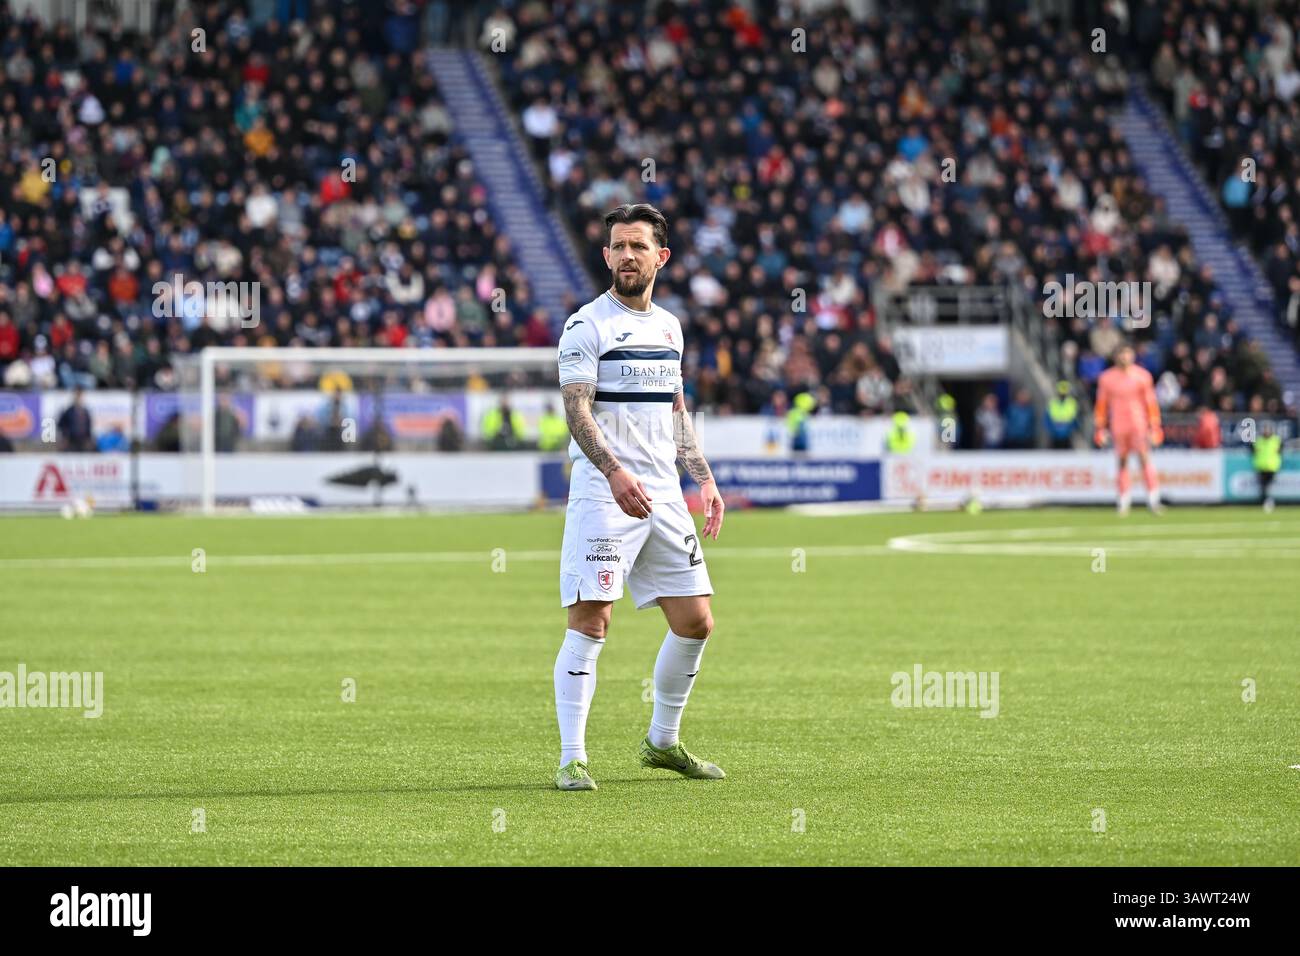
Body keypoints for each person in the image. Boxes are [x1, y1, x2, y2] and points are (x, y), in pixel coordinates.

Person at [552, 202, 725, 791]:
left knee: (697, 621)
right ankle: (572, 757)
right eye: (618, 246)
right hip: (606, 496)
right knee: (591, 621)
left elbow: (675, 410)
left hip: (666, 498)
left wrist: (703, 477)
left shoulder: (670, 327)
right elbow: (577, 411)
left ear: (661, 256)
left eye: (638, 246)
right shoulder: (586, 325)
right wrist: (614, 473)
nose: (627, 255)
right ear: (606, 256)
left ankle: (662, 742)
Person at [1094, 342, 1164, 515]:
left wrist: (1154, 426)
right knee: (1122, 461)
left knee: (1144, 458)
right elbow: (1101, 405)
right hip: (1118, 425)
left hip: (1138, 424)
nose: (1124, 357)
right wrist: (1100, 428)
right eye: (1121, 354)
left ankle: (1153, 499)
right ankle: (1123, 500)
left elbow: (1151, 403)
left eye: (1127, 354)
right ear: (1116, 357)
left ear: (1132, 356)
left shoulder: (1143, 376)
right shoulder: (1106, 378)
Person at [1248, 421, 1283, 512]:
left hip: (1272, 467)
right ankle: (1267, 502)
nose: (1266, 431)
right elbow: (1252, 451)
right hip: (1261, 467)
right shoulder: (1258, 441)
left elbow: (1280, 452)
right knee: (1263, 487)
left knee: (1268, 486)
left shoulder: (1276, 440)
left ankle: (1268, 502)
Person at [57, 387, 93, 452]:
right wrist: (65, 436)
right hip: (71, 441)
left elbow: (88, 427)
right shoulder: (68, 411)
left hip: (83, 441)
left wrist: (89, 439)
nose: (78, 398)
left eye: (80, 395)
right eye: (77, 395)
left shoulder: (85, 412)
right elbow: (61, 425)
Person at [1045, 381, 1079, 449]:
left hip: (1067, 435)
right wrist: (1051, 429)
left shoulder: (1072, 403)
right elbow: (1047, 419)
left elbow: (1075, 420)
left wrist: (1070, 429)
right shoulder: (1052, 403)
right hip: (1055, 434)